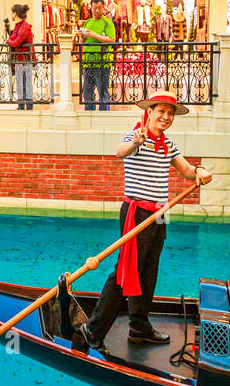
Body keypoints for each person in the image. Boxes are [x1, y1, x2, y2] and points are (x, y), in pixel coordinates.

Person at [80, 93, 213, 352]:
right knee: (124, 273)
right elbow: (120, 153)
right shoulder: (136, 137)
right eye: (161, 111)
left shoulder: (168, 145)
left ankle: (139, 328)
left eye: (170, 113)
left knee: (148, 272)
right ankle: (92, 331)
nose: (166, 117)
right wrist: (135, 143)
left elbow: (186, 170)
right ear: (149, 112)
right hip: (137, 213)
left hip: (159, 215)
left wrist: (199, 172)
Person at [77, 0, 115, 111]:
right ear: (91, 8)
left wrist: (94, 35)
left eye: (99, 8)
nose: (97, 10)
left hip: (102, 63)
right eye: (94, 8)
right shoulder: (87, 22)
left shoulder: (107, 23)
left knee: (103, 91)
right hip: (88, 62)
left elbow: (111, 40)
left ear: (103, 8)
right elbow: (81, 42)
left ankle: (103, 116)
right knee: (88, 92)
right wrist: (81, 37)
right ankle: (89, 114)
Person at [7, 3, 35, 109]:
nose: (11, 14)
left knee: (26, 86)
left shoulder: (25, 26)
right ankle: (21, 107)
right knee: (19, 85)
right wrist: (10, 39)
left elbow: (15, 42)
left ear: (15, 13)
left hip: (26, 60)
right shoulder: (18, 25)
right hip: (19, 61)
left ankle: (29, 109)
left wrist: (8, 41)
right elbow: (13, 38)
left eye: (12, 12)